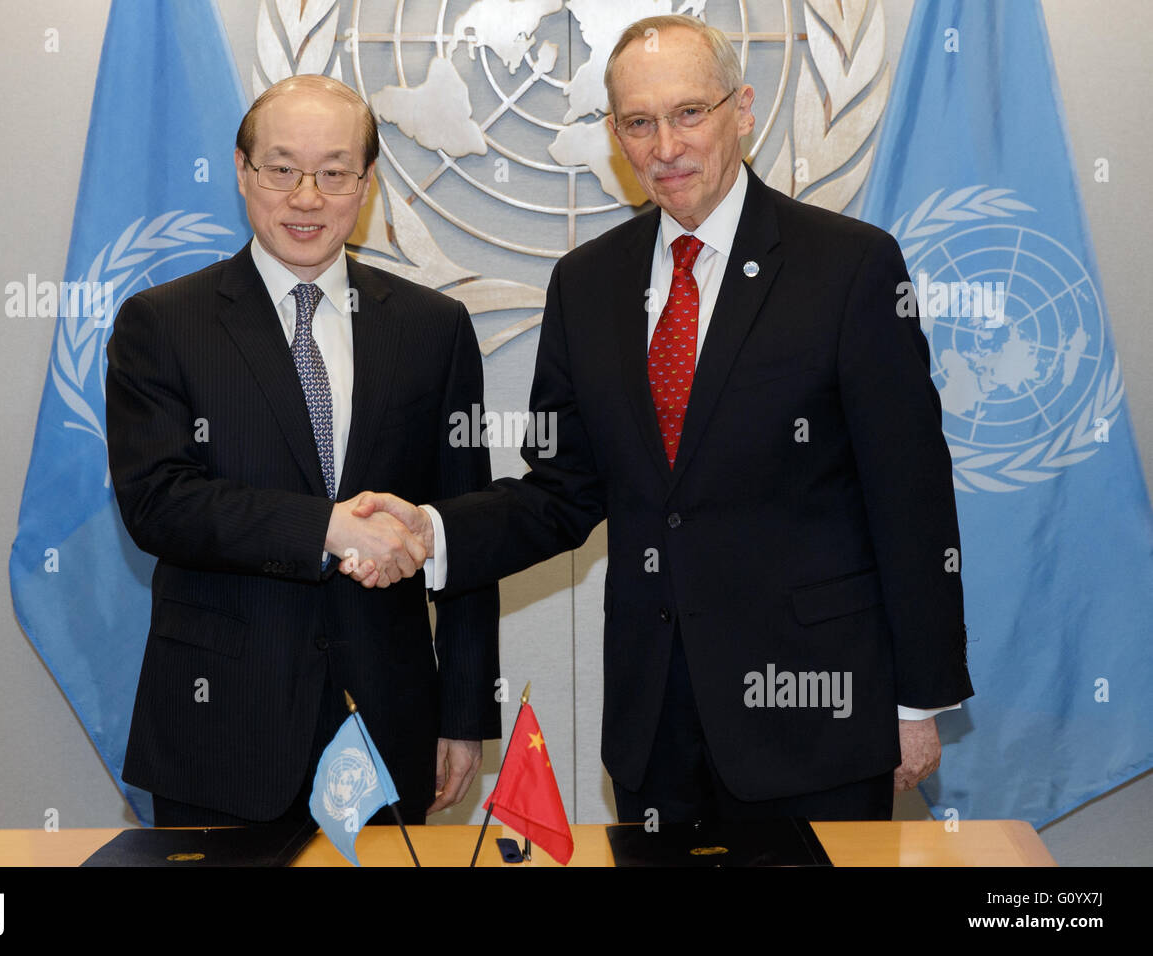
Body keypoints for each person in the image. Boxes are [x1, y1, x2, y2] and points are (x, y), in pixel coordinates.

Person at [350, 15, 973, 823]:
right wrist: (434, 533)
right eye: (639, 123)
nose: (666, 145)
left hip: (819, 718)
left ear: (742, 110)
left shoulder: (850, 267)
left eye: (689, 113)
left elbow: (911, 496)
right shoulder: (587, 283)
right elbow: (565, 490)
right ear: (614, 135)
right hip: (654, 729)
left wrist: (917, 703)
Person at [105, 75, 500, 827]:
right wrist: (328, 528)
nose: (307, 197)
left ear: (368, 183)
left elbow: (463, 530)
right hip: (220, 726)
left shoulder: (434, 328)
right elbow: (159, 505)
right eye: (282, 169)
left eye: (334, 171)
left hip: (388, 727)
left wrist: (463, 711)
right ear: (243, 171)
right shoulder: (162, 324)